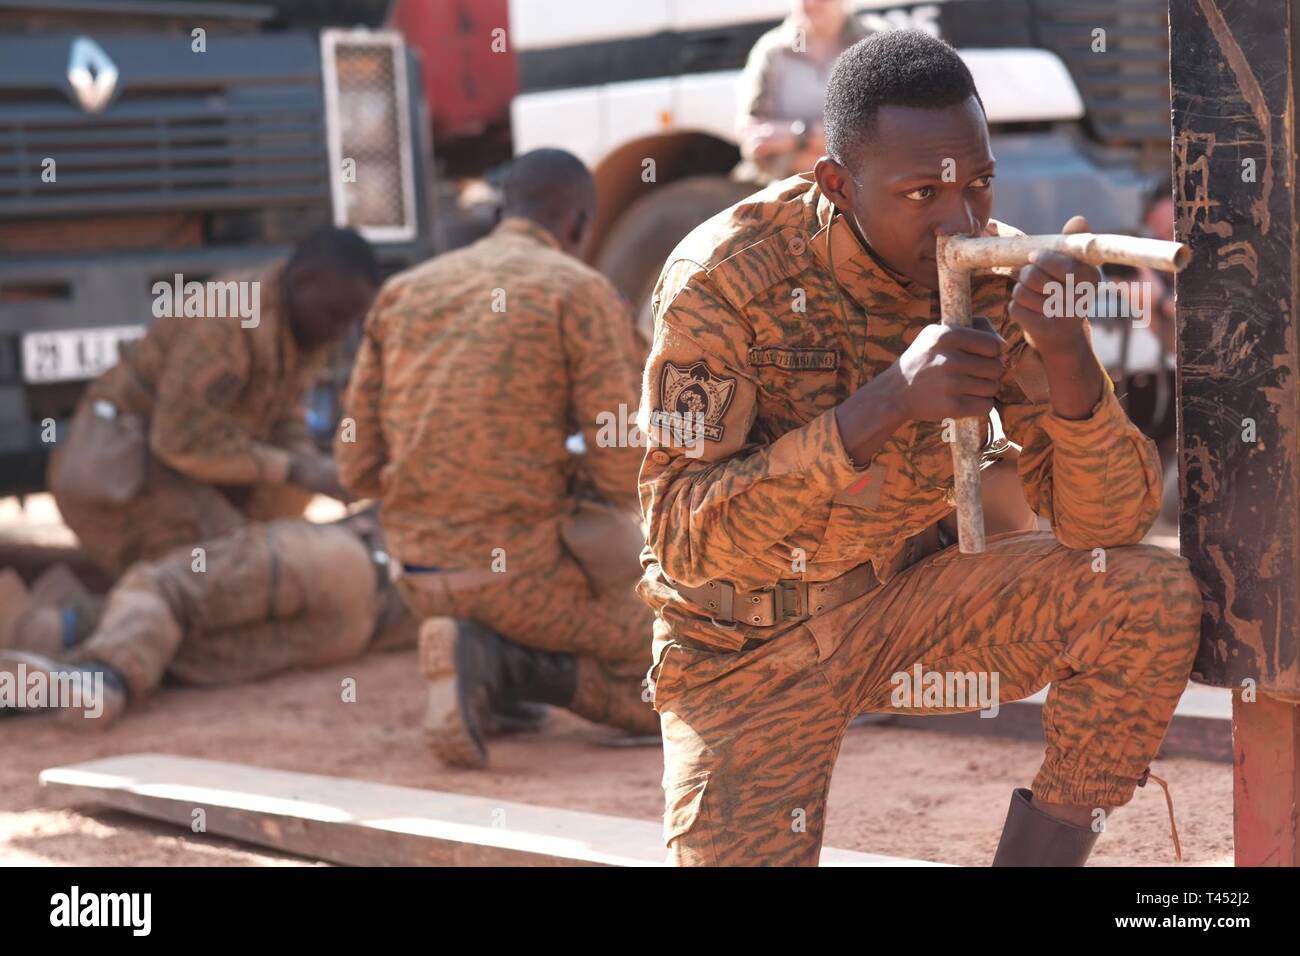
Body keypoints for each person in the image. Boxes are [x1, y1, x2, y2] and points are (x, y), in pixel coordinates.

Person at [638, 30, 1202, 866]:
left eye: (977, 184)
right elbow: (684, 537)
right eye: (920, 193)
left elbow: (1110, 527)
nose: (960, 220)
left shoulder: (991, 275)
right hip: (743, 649)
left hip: (905, 610)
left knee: (1147, 594)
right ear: (837, 182)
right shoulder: (725, 279)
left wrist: (1068, 357)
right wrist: (884, 407)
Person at [336, 148, 658, 768]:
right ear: (577, 225)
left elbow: (355, 467)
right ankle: (508, 669)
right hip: (523, 579)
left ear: (502, 209)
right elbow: (623, 470)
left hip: (418, 578)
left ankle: (480, 661)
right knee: (701, 671)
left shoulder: (402, 292)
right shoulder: (579, 291)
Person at [50, 228, 378, 577]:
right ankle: (62, 627)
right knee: (220, 578)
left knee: (276, 548)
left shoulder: (303, 326)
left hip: (190, 467)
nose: (342, 333)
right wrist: (295, 469)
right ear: (303, 281)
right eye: (335, 315)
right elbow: (181, 440)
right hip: (123, 466)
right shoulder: (226, 323)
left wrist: (314, 469)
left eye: (351, 322)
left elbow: (285, 414)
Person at [0, 512, 414, 726]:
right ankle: (66, 669)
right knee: (181, 646)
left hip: (340, 560)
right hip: (353, 635)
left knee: (164, 587)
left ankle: (100, 675)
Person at [736, 0, 870, 182]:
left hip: (863, 189)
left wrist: (796, 136)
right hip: (791, 190)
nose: (812, 4)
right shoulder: (773, 52)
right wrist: (835, 143)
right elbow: (752, 138)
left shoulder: (872, 44)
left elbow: (882, 133)